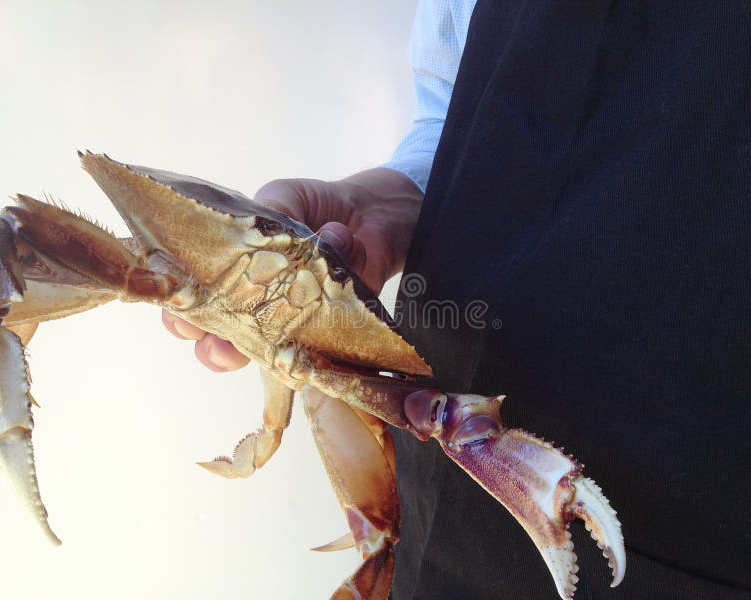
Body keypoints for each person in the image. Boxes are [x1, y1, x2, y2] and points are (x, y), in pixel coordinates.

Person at [164, 1, 751, 598]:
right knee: (382, 543)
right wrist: (398, 198)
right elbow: (457, 96)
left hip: (714, 499)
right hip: (453, 464)